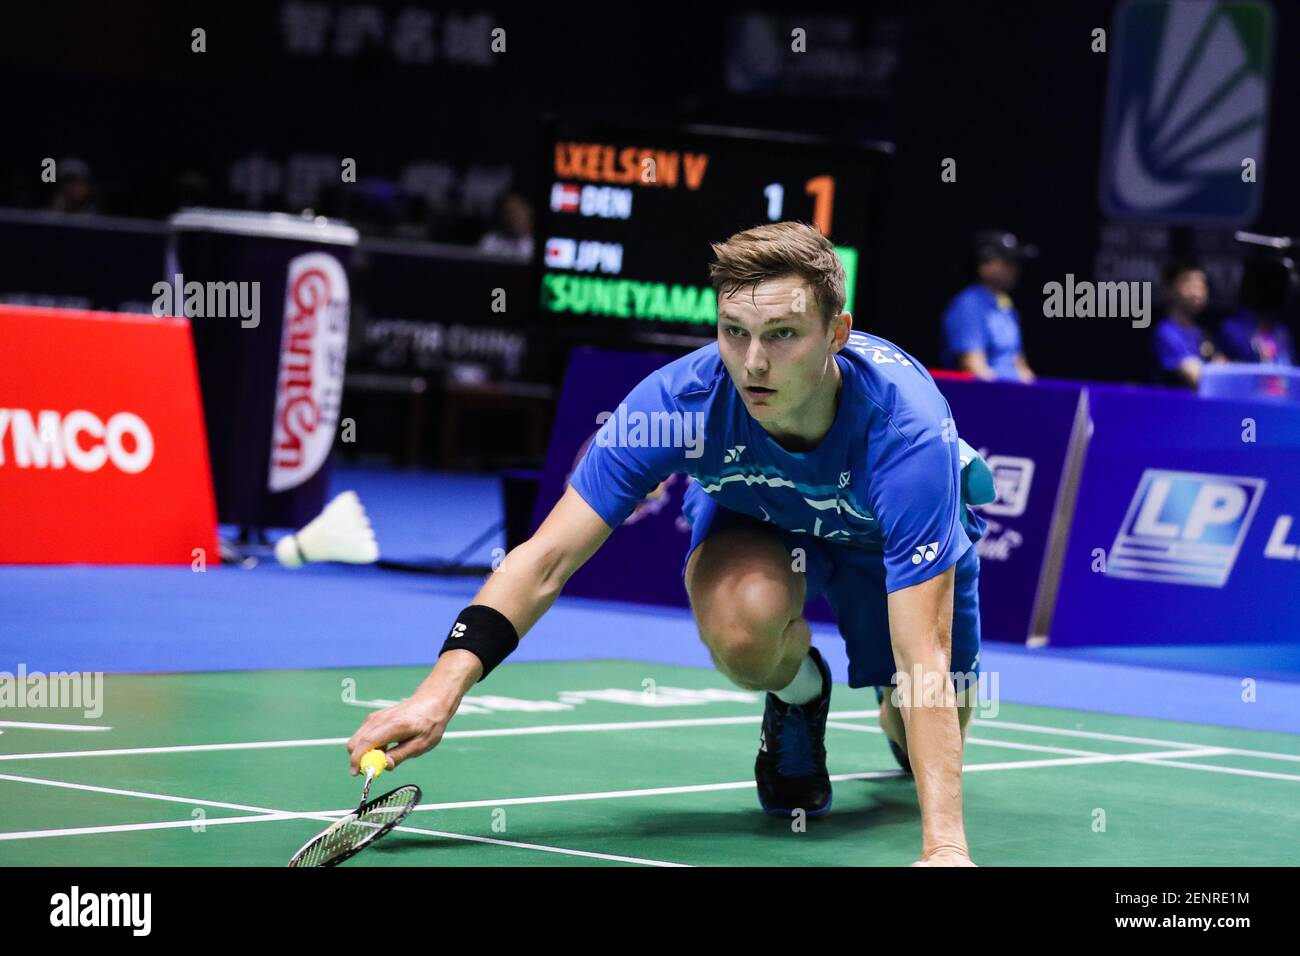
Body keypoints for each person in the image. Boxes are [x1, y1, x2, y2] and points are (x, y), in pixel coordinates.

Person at [348, 221, 992, 867]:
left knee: (913, 727)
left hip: (880, 544)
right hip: (761, 523)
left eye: (783, 336)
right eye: (734, 332)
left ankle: (893, 722)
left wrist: (945, 847)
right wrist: (439, 692)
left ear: (837, 334)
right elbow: (544, 560)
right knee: (744, 630)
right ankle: (800, 694)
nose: (754, 362)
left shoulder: (904, 429)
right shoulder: (679, 402)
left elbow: (924, 655)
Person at [940, 230, 1037, 383]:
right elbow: (974, 368)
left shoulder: (1007, 307)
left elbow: (1020, 365)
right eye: (1009, 262)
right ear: (986, 265)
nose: (1016, 269)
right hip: (987, 399)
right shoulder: (968, 305)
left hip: (1014, 397)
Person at [1153, 260, 1225, 387]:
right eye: (1189, 284)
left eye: (1202, 285)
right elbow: (1196, 377)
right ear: (1169, 289)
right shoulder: (1166, 332)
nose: (1197, 292)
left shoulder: (1204, 333)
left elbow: (1224, 369)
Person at [1218, 256, 1295, 366]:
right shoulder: (1233, 327)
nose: (1275, 291)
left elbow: (1291, 367)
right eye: (1270, 284)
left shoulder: (1282, 332)